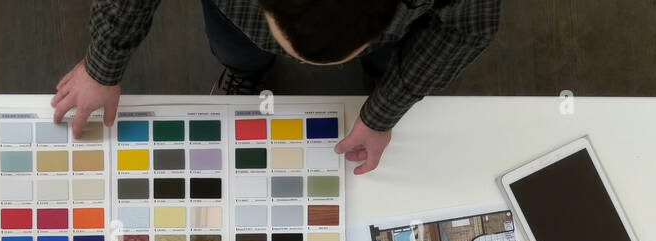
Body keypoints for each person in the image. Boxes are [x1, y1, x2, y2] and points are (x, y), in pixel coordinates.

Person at [53, 0, 503, 173]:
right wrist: (102, 66)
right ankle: (245, 69)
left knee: (393, 64)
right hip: (239, 18)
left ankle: (379, 71)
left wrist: (383, 109)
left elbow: (466, 28)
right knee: (238, 49)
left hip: (396, 34)